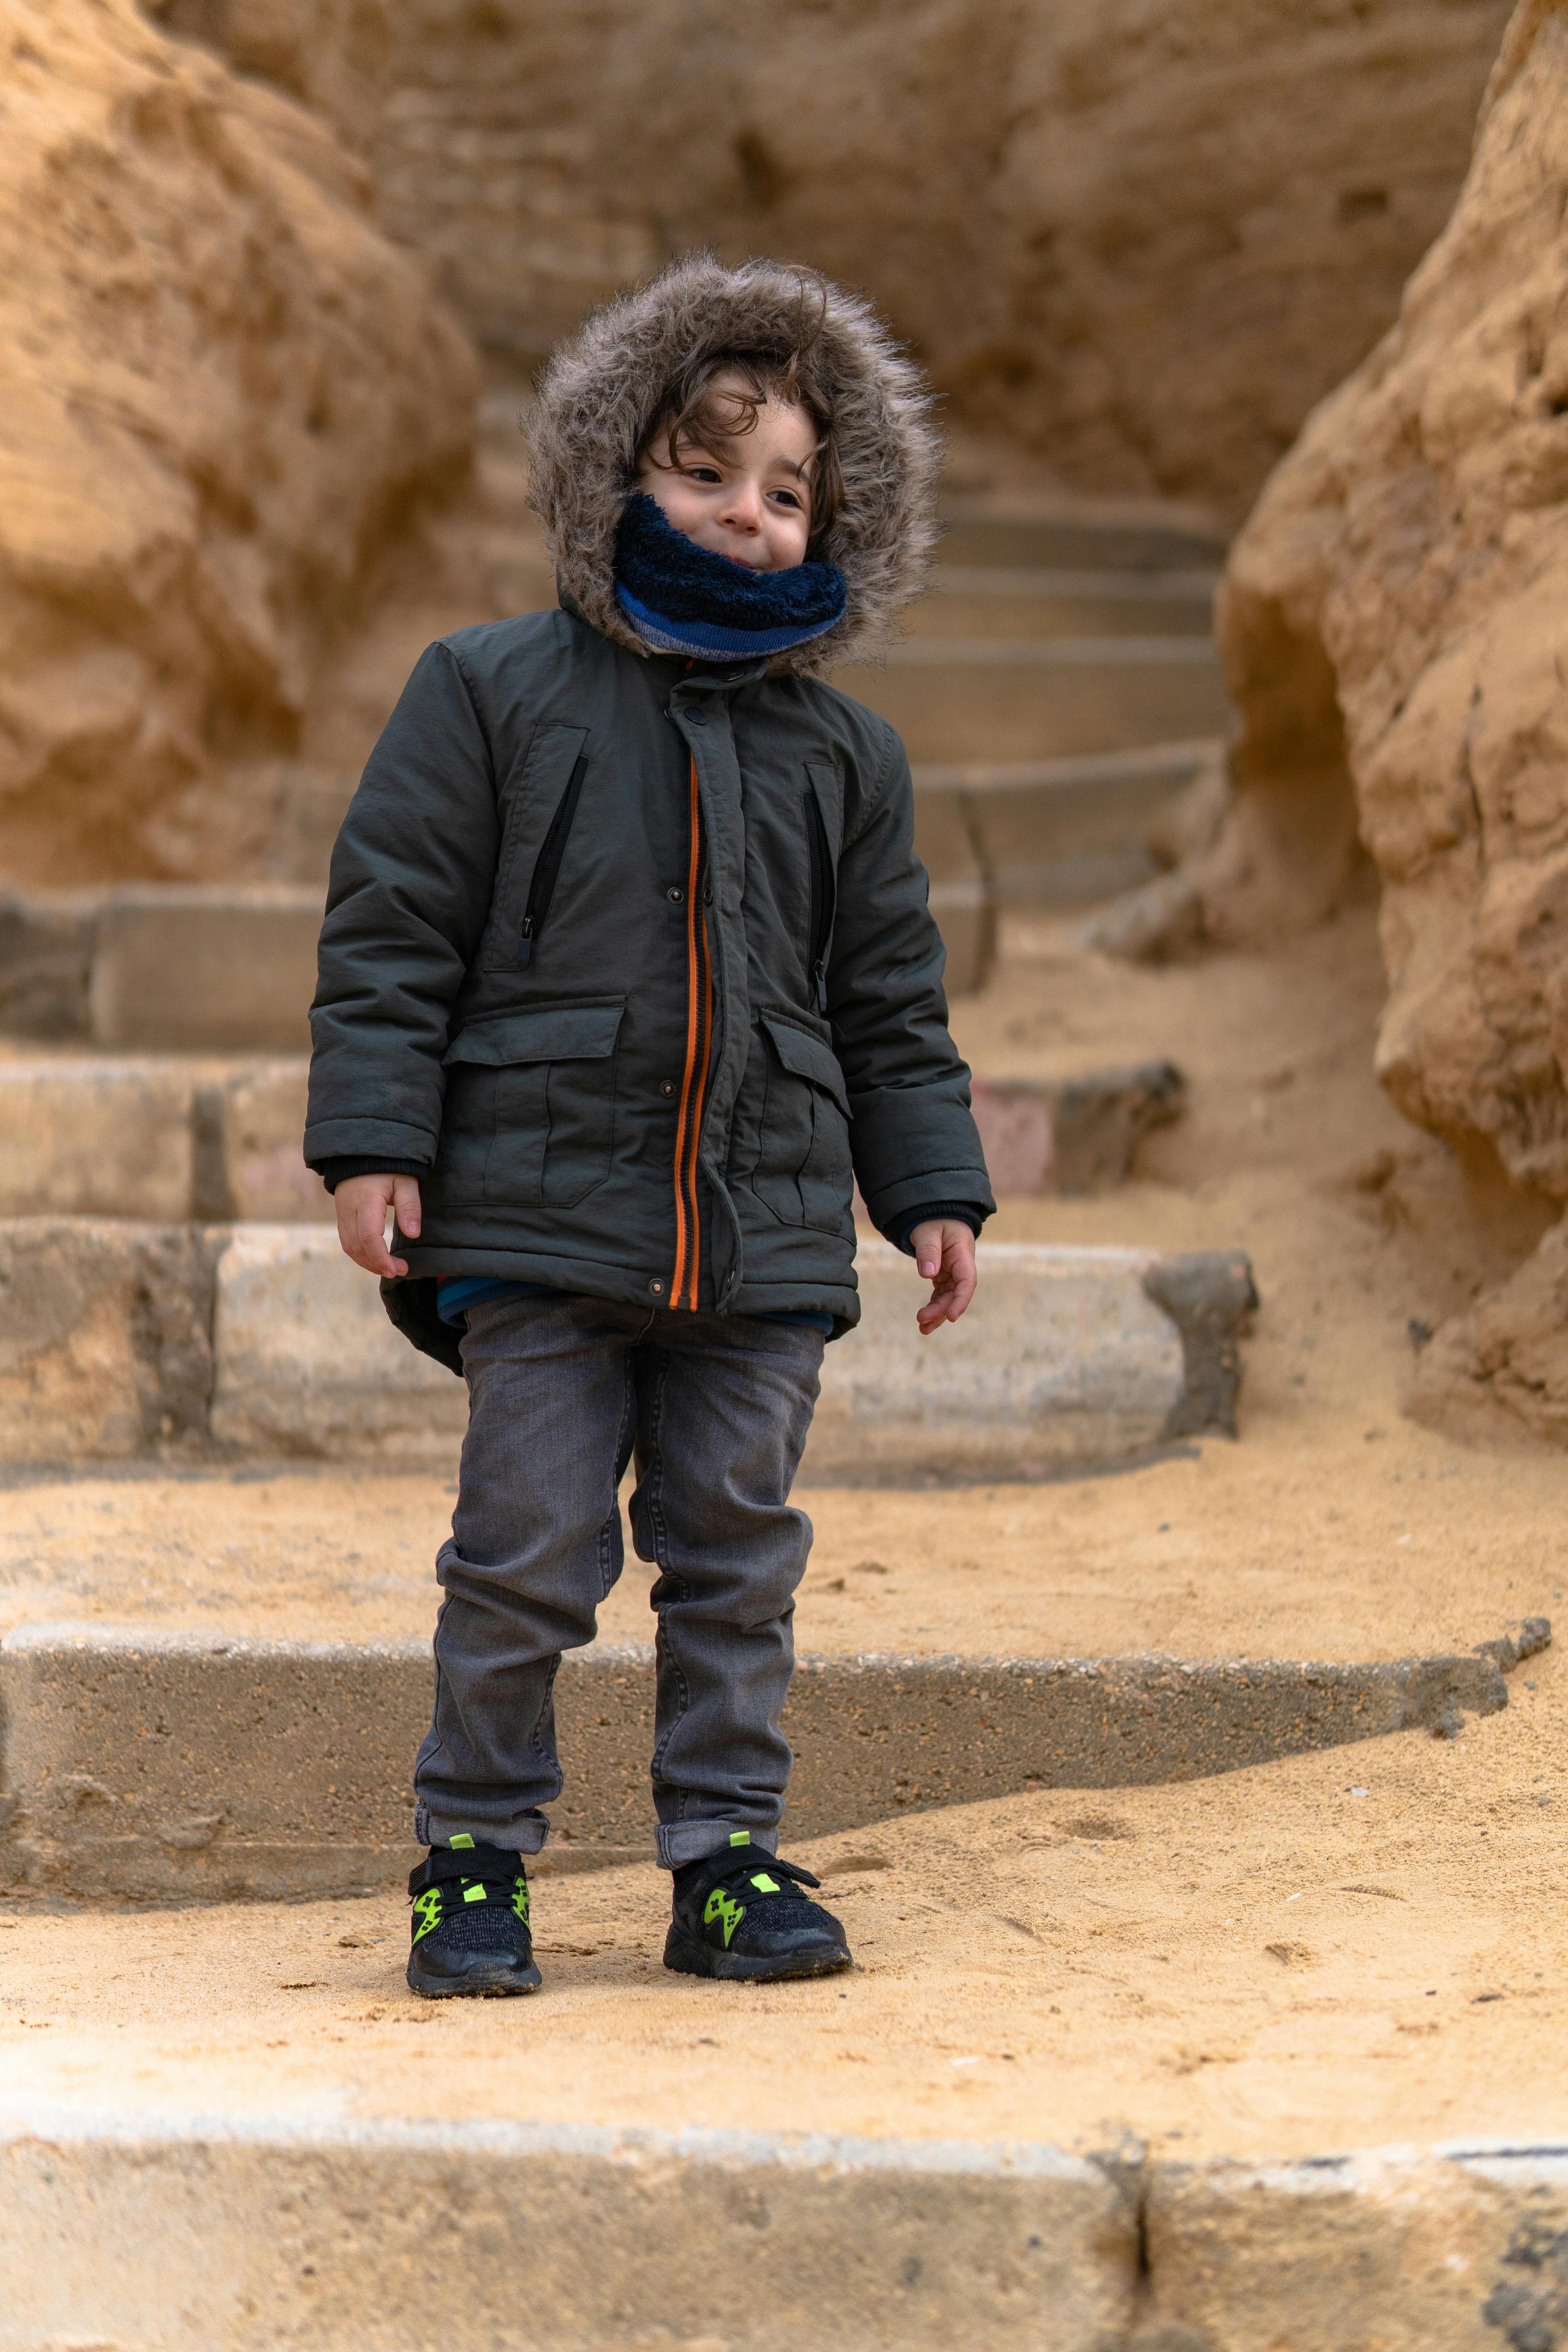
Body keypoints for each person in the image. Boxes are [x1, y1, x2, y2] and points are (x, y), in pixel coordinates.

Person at [305, 256, 994, 1998]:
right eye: (706, 474)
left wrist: (925, 1186)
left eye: (787, 493)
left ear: (836, 524)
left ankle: (724, 1857)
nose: (748, 518)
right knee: (527, 1551)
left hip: (760, 1231)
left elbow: (890, 1001)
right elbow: (392, 928)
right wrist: (376, 1141)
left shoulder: (851, 758)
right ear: (617, 469)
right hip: (533, 1212)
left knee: (738, 1555)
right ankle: (473, 1858)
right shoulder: (488, 689)